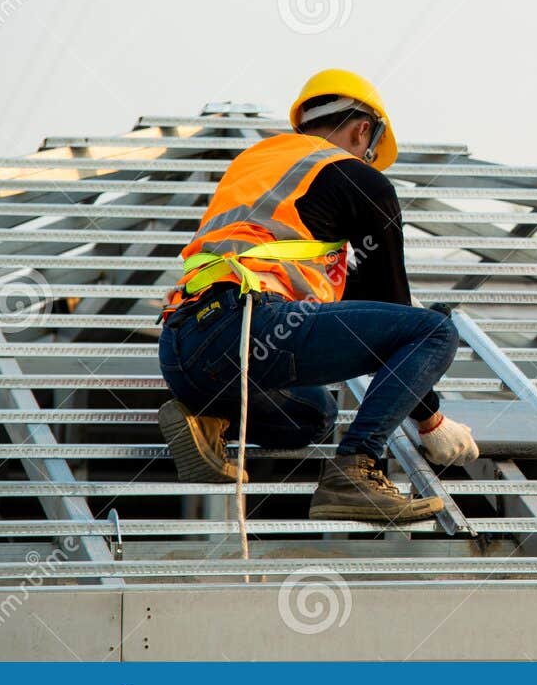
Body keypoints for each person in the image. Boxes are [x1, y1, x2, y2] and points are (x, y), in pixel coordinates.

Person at [156, 69, 478, 523]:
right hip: (247, 323)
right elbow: (392, 301)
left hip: (183, 346)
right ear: (362, 131)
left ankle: (209, 419)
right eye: (369, 152)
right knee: (435, 332)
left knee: (314, 415)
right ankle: (356, 469)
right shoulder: (358, 178)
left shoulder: (256, 163)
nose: (366, 160)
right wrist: (430, 420)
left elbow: (359, 300)